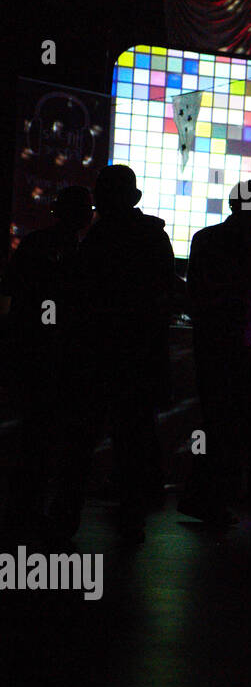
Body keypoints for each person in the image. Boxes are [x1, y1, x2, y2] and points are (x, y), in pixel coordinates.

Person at [57, 166, 175, 543]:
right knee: (133, 439)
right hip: (136, 357)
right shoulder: (151, 238)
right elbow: (163, 295)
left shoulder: (93, 239)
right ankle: (130, 517)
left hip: (94, 356)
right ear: (135, 198)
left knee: (80, 439)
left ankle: (64, 520)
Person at [178, 180, 251, 525]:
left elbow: (195, 292)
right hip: (237, 344)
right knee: (232, 423)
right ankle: (214, 495)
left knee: (218, 421)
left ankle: (204, 495)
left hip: (219, 342)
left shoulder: (208, 238)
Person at [1, 185, 94, 539]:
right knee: (48, 437)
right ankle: (34, 509)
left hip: (39, 352)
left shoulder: (38, 244)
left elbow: (15, 291)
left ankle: (23, 509)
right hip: (58, 356)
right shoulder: (81, 251)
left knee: (35, 435)